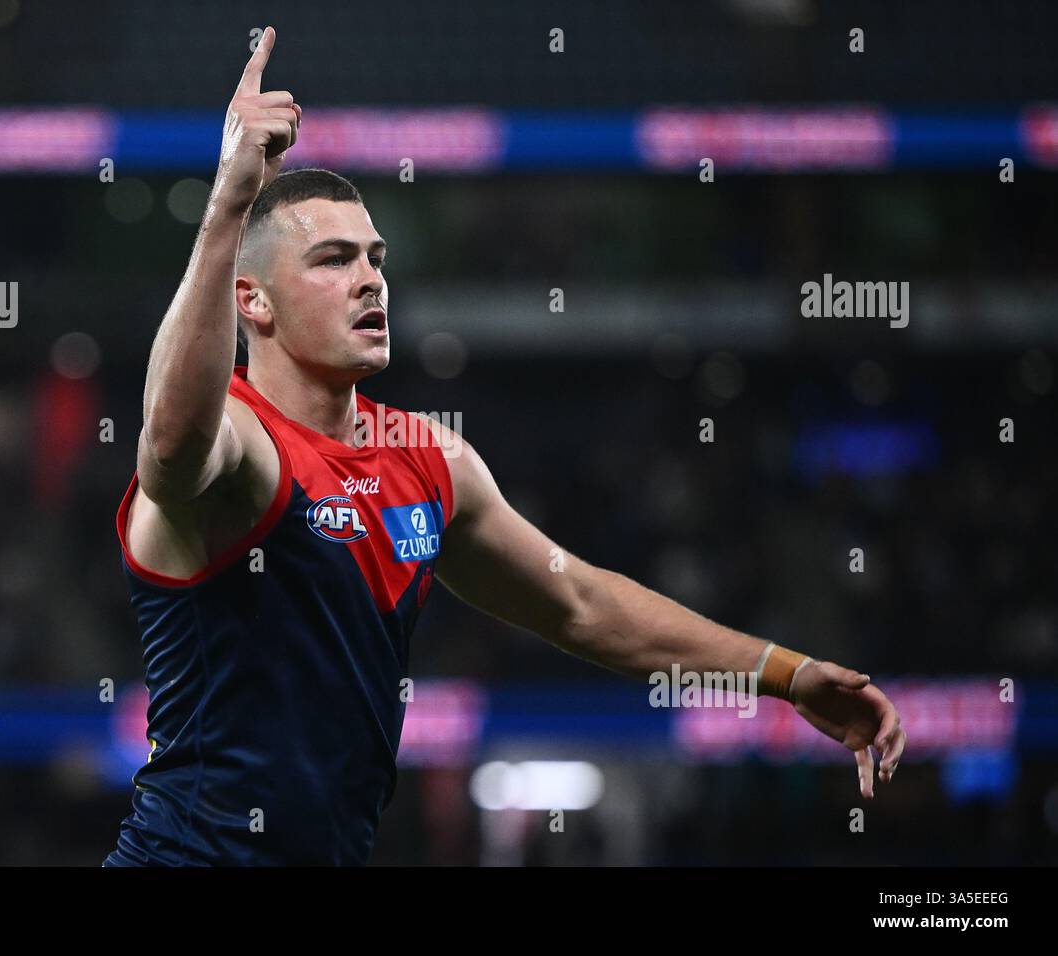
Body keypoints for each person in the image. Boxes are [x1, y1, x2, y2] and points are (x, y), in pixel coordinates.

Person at [104, 27, 906, 866]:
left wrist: (784, 672)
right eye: (333, 260)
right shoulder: (242, 446)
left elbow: (581, 604)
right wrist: (230, 202)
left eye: (375, 259)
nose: (371, 278)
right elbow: (168, 443)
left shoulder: (426, 459)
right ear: (254, 303)